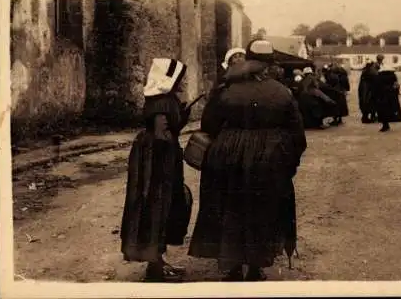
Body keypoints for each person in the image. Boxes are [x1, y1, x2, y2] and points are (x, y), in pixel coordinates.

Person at [188, 39, 307, 282]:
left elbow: (208, 126)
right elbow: (298, 136)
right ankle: (255, 267)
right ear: (269, 64)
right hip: (268, 158)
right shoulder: (282, 92)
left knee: (229, 208)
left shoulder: (225, 89)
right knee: (262, 211)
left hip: (227, 156)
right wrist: (288, 164)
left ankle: (231, 267)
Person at [120, 58, 193, 282]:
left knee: (155, 205)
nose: (181, 82)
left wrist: (181, 117)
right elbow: (162, 133)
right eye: (178, 78)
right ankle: (155, 268)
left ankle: (157, 263)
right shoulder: (163, 101)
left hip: (152, 154)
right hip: (158, 158)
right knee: (158, 205)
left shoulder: (159, 99)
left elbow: (165, 127)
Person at [372, 66, 401, 132]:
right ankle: (391, 121)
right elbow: (397, 86)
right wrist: (396, 92)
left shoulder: (379, 76)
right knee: (391, 110)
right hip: (391, 96)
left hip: (382, 96)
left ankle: (385, 125)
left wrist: (375, 96)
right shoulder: (393, 76)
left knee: (382, 111)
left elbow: (375, 87)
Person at [358, 59, 377, 123]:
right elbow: (374, 78)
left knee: (365, 103)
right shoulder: (370, 71)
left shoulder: (365, 70)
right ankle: (368, 118)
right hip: (368, 90)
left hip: (363, 89)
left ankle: (366, 117)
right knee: (370, 103)